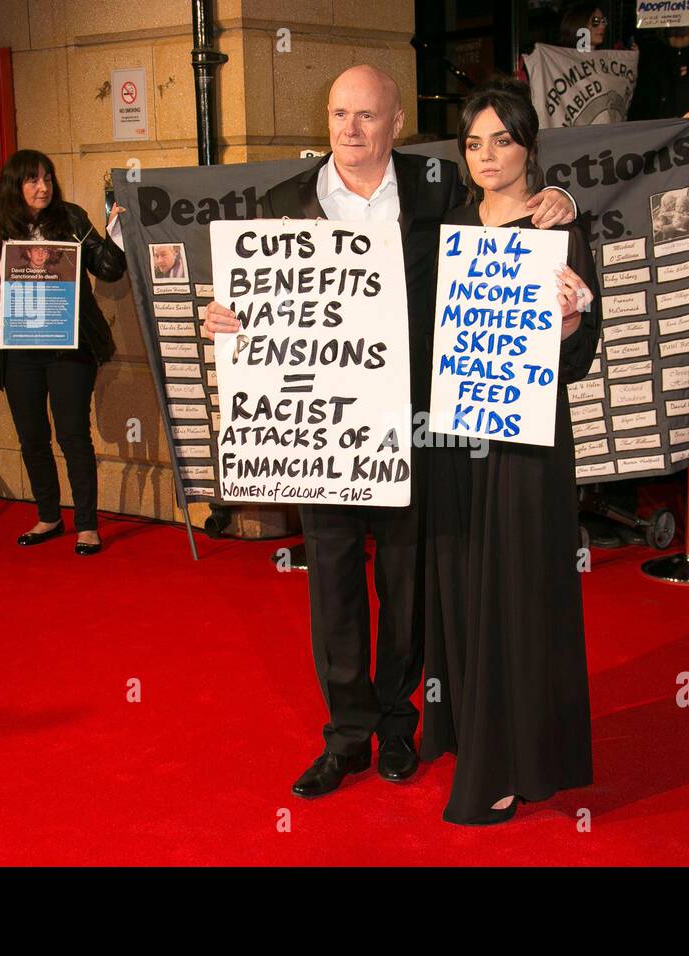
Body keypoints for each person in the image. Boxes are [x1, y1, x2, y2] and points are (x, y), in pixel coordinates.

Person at [203, 66, 577, 798]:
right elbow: (250, 307)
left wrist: (564, 197)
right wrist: (217, 319)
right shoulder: (282, 206)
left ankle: (401, 723)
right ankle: (346, 736)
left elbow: (508, 206)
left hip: (415, 427)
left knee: (407, 584)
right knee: (334, 585)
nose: (350, 129)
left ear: (396, 121)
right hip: (319, 436)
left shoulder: (437, 189)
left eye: (366, 115)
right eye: (339, 113)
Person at [422, 77, 600, 825]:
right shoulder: (449, 226)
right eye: (473, 141)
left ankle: (518, 756)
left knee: (521, 591)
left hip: (527, 444)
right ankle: (471, 731)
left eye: (501, 139)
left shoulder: (558, 225)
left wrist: (566, 329)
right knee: (464, 583)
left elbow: (584, 348)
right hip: (454, 440)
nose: (486, 154)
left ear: (529, 147)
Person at [0, 149, 127, 556]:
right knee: (32, 437)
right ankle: (49, 516)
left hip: (69, 348)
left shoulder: (71, 219)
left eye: (48, 179)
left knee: (73, 435)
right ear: (14, 187)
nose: (43, 187)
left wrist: (117, 235)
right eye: (33, 180)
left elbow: (108, 268)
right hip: (20, 351)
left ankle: (87, 526)